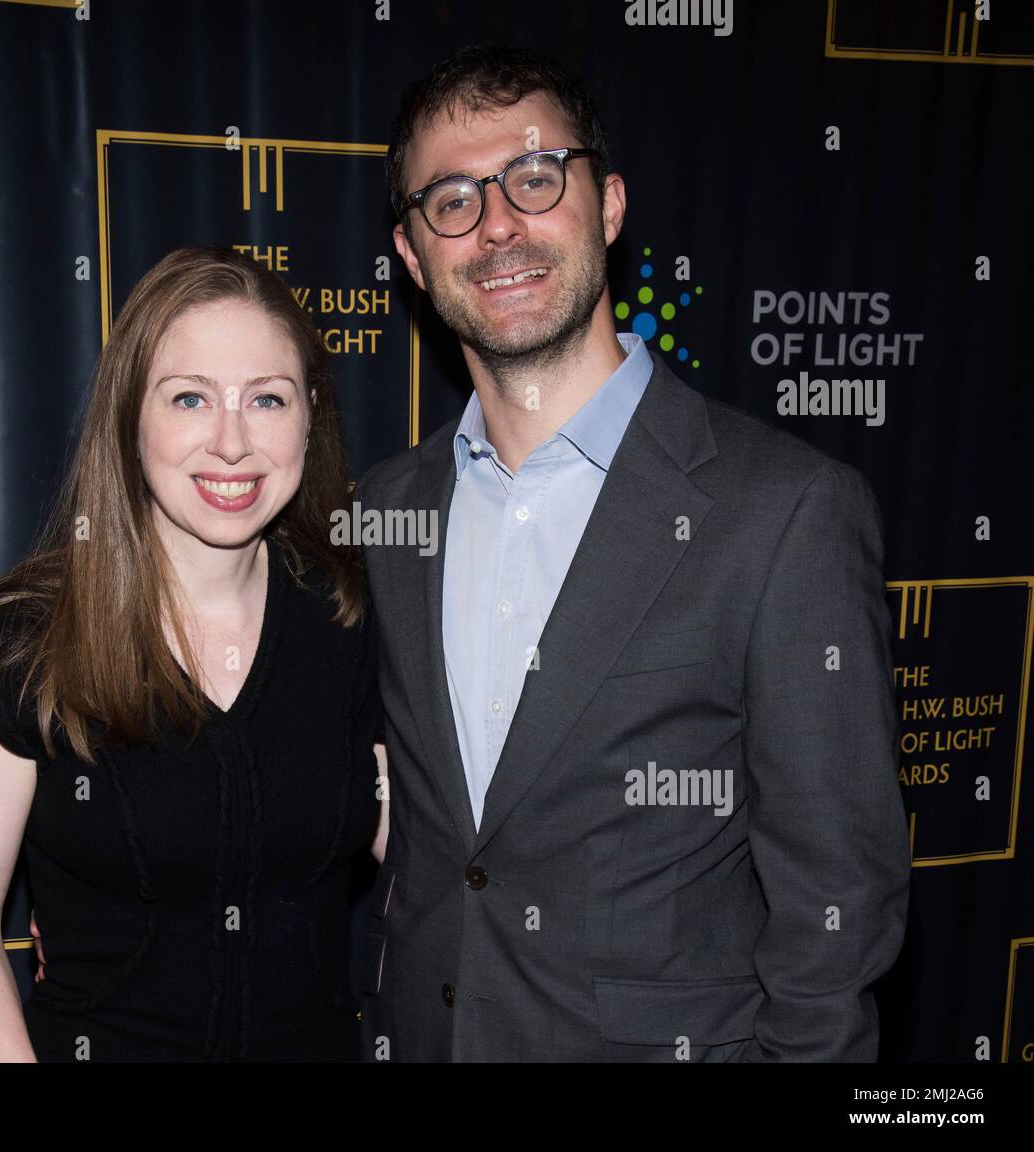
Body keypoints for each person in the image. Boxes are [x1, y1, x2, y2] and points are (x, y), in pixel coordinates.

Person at [353, 45, 911, 1062]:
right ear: (410, 255)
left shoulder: (784, 514)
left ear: (606, 205)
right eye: (452, 202)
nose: (498, 228)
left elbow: (837, 910)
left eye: (533, 178)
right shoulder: (385, 516)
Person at [0, 246, 387, 1062]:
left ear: (310, 419)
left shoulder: (352, 622)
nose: (233, 442)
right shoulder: (24, 638)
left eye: (267, 399)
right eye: (190, 398)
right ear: (131, 414)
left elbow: (431, 856)